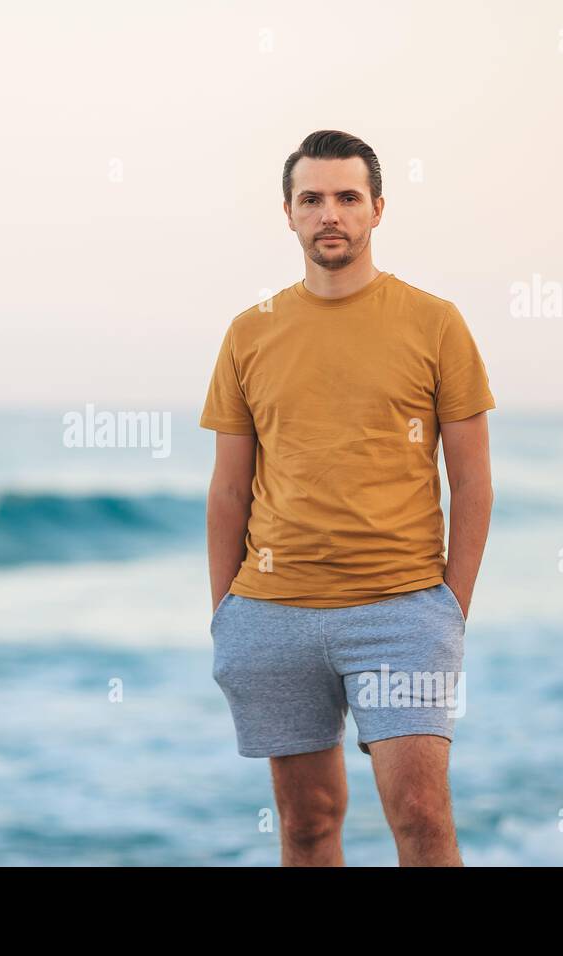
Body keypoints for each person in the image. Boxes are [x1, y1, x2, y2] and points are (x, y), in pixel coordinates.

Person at [199, 130, 495, 866]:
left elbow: (473, 482)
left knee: (422, 817)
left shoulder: (435, 322)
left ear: (377, 209)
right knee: (306, 824)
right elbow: (230, 486)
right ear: (290, 214)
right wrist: (226, 614)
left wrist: (449, 606)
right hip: (272, 614)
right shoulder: (249, 332)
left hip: (402, 612)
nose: (330, 213)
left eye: (346, 198)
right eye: (313, 199)